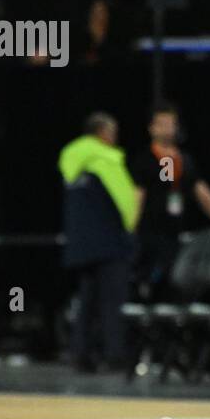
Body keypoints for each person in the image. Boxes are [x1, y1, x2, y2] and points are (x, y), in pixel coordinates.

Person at [58, 112, 139, 372]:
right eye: (113, 132)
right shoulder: (106, 159)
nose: (115, 138)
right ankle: (114, 356)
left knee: (87, 302)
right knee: (113, 302)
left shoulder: (71, 160)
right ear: (102, 133)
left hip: (81, 247)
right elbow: (127, 200)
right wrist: (131, 230)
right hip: (110, 245)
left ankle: (80, 356)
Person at [129, 102, 210, 298]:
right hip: (149, 236)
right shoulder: (144, 160)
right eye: (162, 124)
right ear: (152, 128)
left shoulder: (185, 161)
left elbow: (203, 195)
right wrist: (130, 232)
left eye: (171, 124)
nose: (168, 129)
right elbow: (137, 198)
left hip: (175, 235)